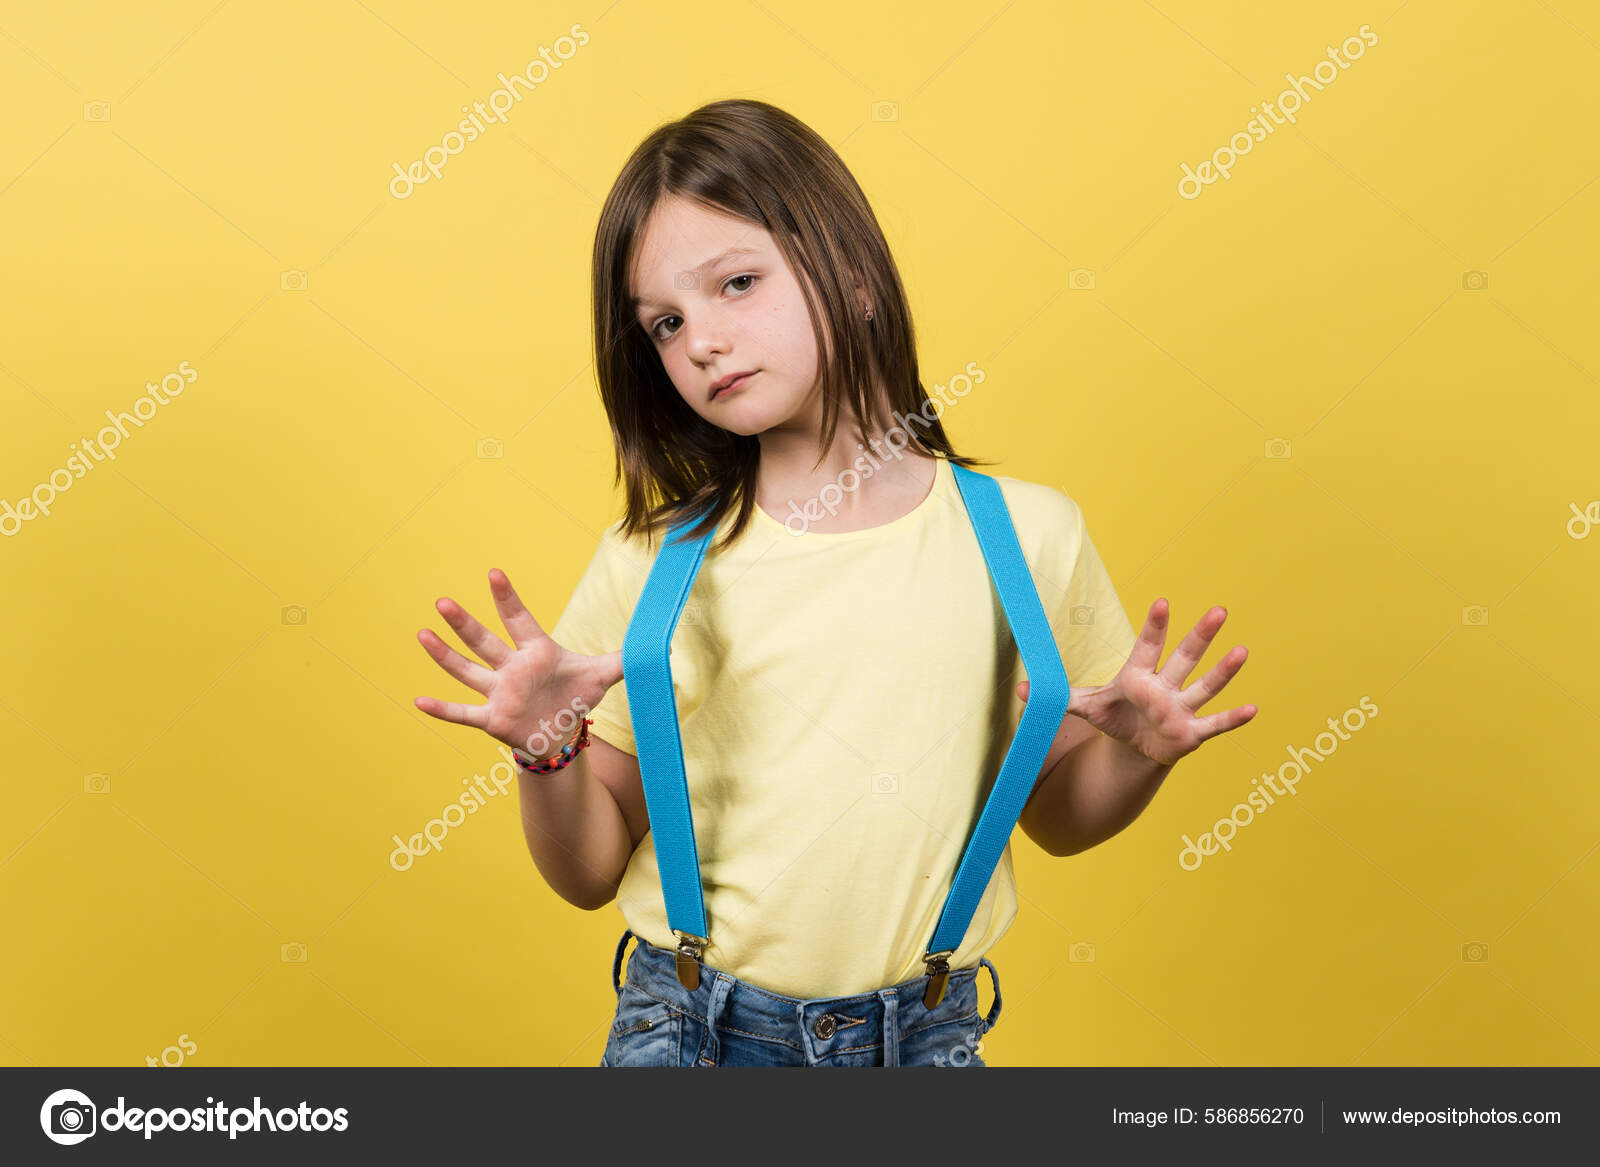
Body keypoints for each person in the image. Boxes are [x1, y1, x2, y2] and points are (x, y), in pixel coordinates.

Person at [413, 99, 1257, 1067]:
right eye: (664, 323)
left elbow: (1061, 817)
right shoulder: (650, 563)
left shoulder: (1025, 538)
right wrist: (546, 753)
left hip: (925, 1039)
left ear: (854, 278)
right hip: (690, 1034)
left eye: (737, 283)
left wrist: (1138, 757)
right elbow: (589, 871)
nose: (700, 342)